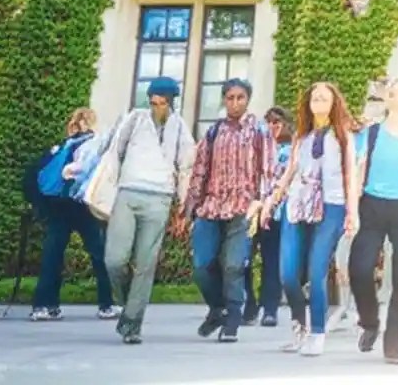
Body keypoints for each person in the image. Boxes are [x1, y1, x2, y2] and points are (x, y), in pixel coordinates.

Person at [262, 81, 360, 357]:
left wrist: (352, 213)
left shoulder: (342, 137)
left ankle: (317, 332)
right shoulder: (301, 136)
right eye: (314, 98)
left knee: (317, 271)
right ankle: (299, 326)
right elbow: (290, 171)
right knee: (288, 273)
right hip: (298, 205)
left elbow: (350, 176)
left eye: (324, 98)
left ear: (333, 103)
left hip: (331, 206)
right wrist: (272, 200)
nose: (318, 102)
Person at [104, 76, 197, 344]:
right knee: (114, 259)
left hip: (160, 198)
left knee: (146, 264)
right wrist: (111, 189)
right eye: (153, 102)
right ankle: (128, 303)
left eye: (162, 103)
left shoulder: (179, 127)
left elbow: (186, 167)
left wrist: (184, 206)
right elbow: (114, 152)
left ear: (171, 102)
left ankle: (132, 324)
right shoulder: (135, 119)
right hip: (128, 192)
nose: (157, 107)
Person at [185, 78, 276, 343]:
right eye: (230, 98)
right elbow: (200, 170)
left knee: (234, 265)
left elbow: (269, 170)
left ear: (247, 100)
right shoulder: (214, 132)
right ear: (224, 100)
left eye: (240, 98)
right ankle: (217, 308)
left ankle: (233, 319)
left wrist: (263, 204)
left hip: (243, 208)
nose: (235, 103)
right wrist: (191, 206)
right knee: (201, 265)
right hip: (211, 206)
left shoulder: (259, 131)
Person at [349, 78, 398, 365]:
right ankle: (369, 321)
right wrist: (351, 211)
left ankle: (394, 345)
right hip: (373, 204)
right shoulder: (371, 133)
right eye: (393, 94)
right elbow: (356, 171)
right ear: (387, 98)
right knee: (359, 268)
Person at [29, 109, 120, 321]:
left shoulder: (62, 146)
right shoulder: (93, 144)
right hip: (80, 205)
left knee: (53, 254)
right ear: (92, 122)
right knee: (98, 254)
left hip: (58, 205)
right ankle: (106, 304)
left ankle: (45, 306)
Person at [244, 106, 294, 327]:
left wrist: (272, 202)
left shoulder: (291, 150)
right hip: (251, 209)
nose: (273, 126)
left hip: (276, 212)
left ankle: (270, 308)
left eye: (277, 122)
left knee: (271, 261)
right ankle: (249, 304)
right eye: (269, 122)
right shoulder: (257, 147)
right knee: (242, 259)